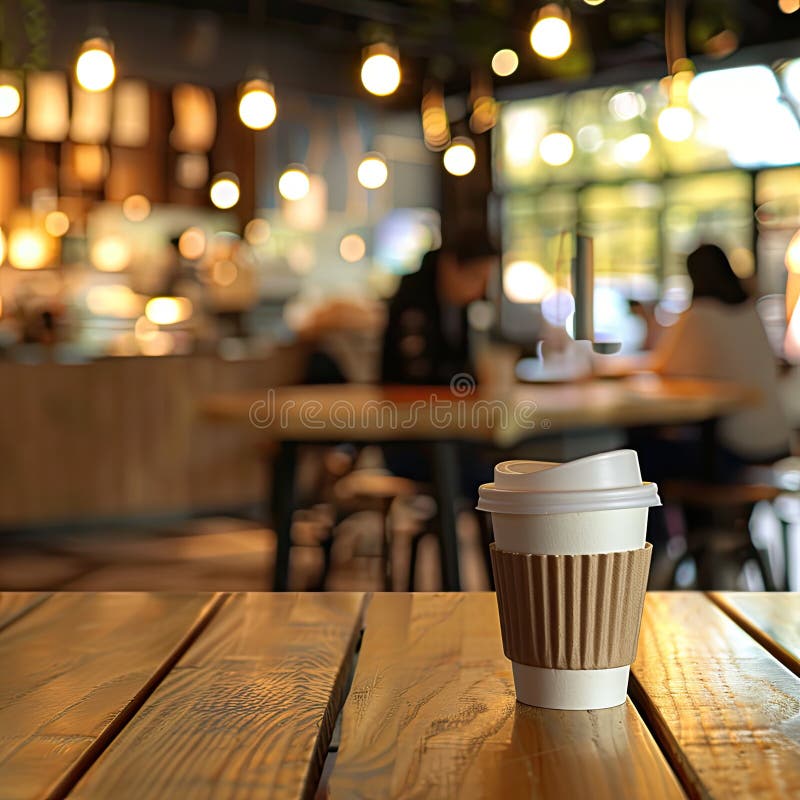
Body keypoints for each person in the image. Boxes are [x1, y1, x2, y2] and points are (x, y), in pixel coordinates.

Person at [647, 244, 792, 474]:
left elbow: (667, 367)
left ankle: (672, 511)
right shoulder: (749, 310)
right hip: (778, 437)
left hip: (736, 445)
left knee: (643, 454)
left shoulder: (700, 314)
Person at [381, 231, 498, 385]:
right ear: (449, 266)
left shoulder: (459, 305)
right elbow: (415, 370)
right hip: (408, 400)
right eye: (475, 278)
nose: (479, 292)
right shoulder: (413, 297)